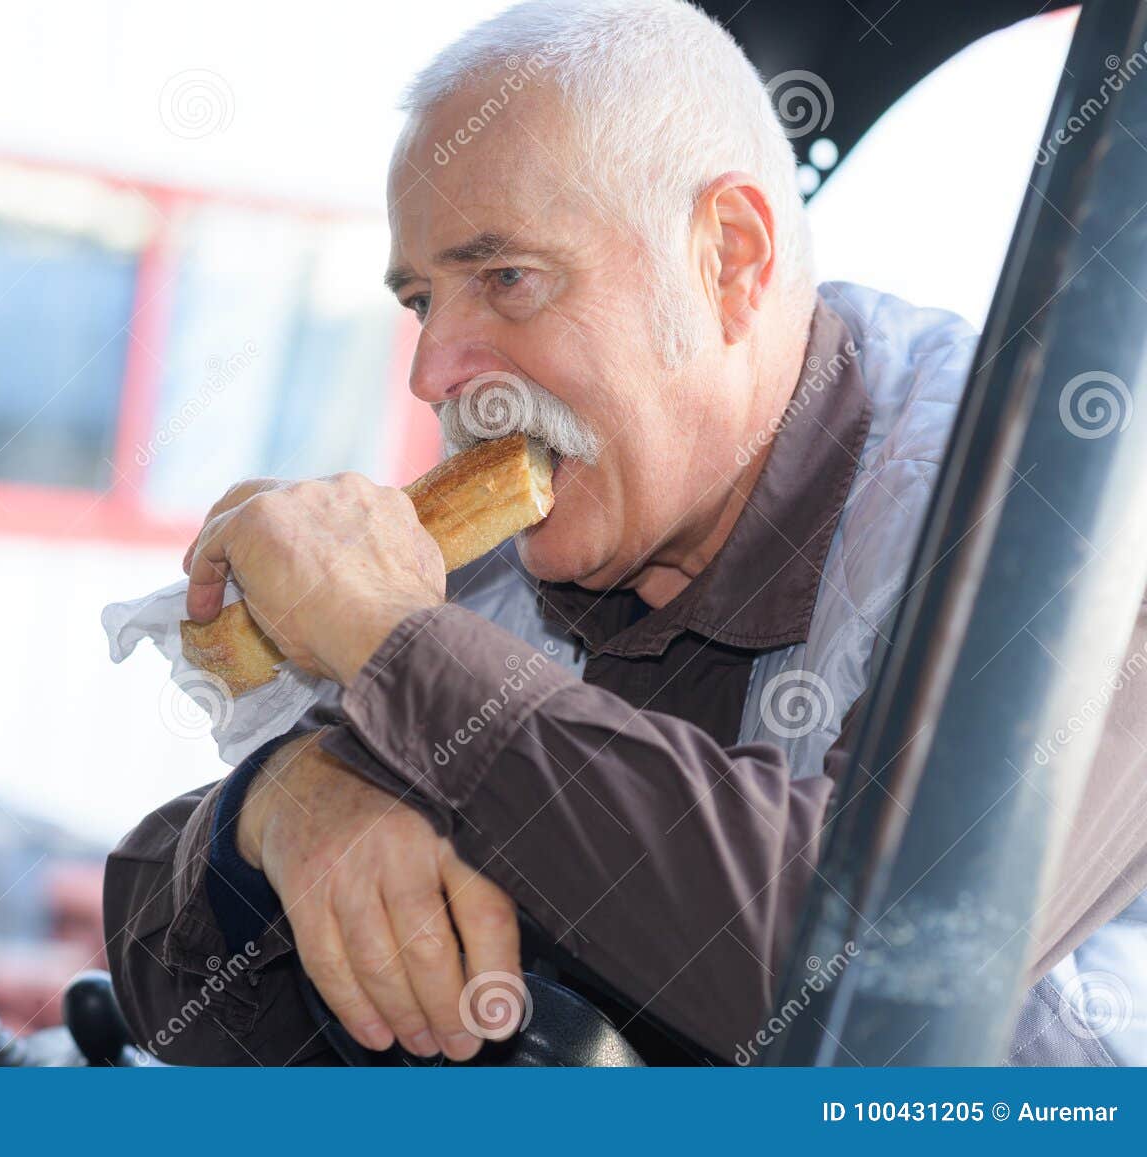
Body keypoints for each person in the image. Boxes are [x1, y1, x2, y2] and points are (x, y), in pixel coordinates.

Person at [104, 0, 1147, 1065]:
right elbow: (163, 965)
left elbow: (864, 973)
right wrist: (275, 809)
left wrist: (391, 641)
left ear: (728, 259)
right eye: (423, 299)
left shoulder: (1066, 513)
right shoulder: (499, 567)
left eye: (506, 278)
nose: (433, 372)